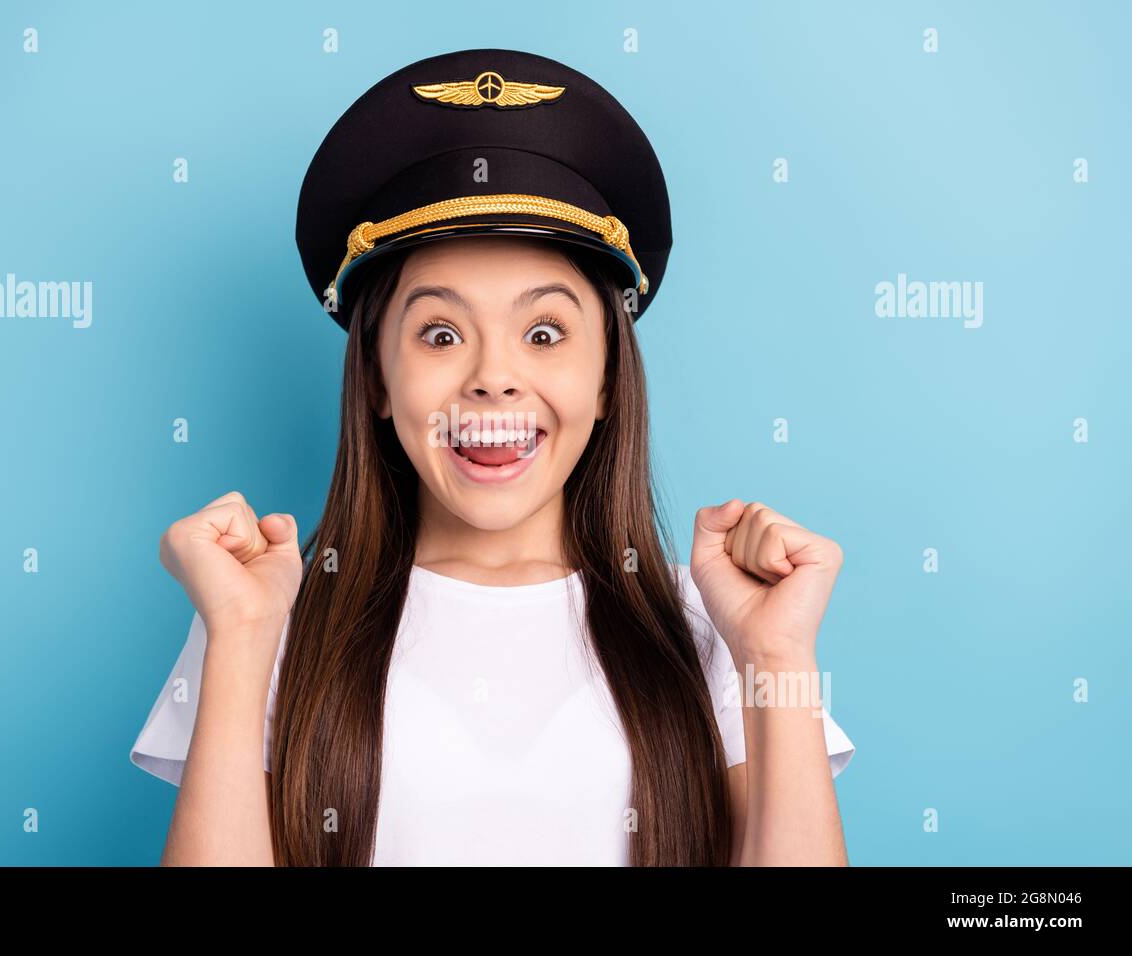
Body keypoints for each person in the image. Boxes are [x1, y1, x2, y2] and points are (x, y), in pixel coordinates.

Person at [130, 48, 856, 866]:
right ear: (376, 379)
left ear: (610, 379)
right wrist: (239, 634)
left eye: (544, 333)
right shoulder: (267, 619)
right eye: (440, 334)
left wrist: (777, 652)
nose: (494, 380)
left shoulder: (712, 631)